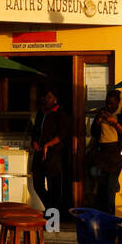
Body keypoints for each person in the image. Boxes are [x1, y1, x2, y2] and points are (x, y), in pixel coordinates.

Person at [87, 90, 122, 214]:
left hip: (117, 153)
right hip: (102, 153)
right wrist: (98, 121)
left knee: (110, 187)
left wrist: (115, 124)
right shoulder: (102, 112)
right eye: (107, 103)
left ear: (118, 102)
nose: (109, 106)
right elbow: (94, 133)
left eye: (112, 103)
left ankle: (110, 216)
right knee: (101, 186)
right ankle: (102, 213)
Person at [29, 88, 72, 217]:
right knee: (38, 184)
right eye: (45, 97)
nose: (46, 100)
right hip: (39, 153)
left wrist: (49, 144)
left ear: (55, 100)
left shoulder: (60, 114)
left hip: (54, 155)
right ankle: (50, 210)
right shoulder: (41, 113)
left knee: (54, 187)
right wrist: (35, 142)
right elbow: (35, 131)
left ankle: (54, 219)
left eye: (49, 97)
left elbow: (62, 134)